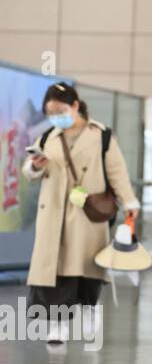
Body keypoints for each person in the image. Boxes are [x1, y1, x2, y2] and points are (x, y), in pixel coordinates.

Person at [23, 82, 139, 345]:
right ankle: (59, 325)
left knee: (86, 271)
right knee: (56, 272)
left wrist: (130, 203)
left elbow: (117, 174)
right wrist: (34, 167)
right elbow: (29, 172)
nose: (56, 117)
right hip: (54, 215)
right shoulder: (47, 137)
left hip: (86, 213)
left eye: (60, 110)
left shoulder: (101, 136)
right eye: (50, 113)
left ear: (75, 105)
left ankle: (90, 311)